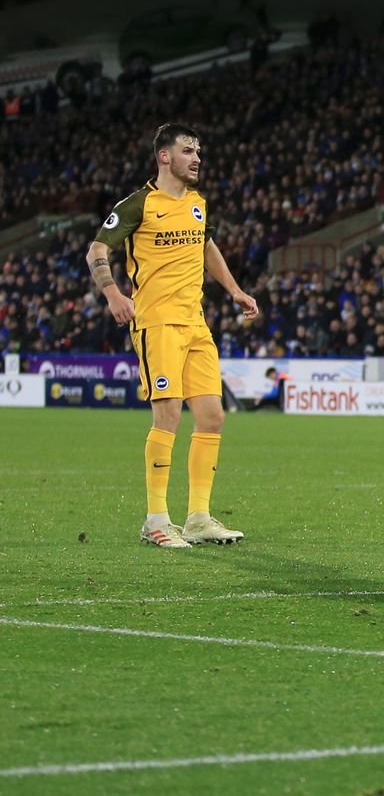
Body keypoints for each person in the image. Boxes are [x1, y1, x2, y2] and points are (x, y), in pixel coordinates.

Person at [87, 123, 261, 549]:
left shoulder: (198, 204)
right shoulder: (138, 205)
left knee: (213, 417)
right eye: (187, 151)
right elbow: (96, 251)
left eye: (198, 151)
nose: (196, 158)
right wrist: (112, 294)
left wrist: (235, 290)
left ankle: (198, 517)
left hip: (195, 323)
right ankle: (156, 520)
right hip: (157, 322)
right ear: (164, 156)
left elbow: (206, 247)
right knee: (167, 416)